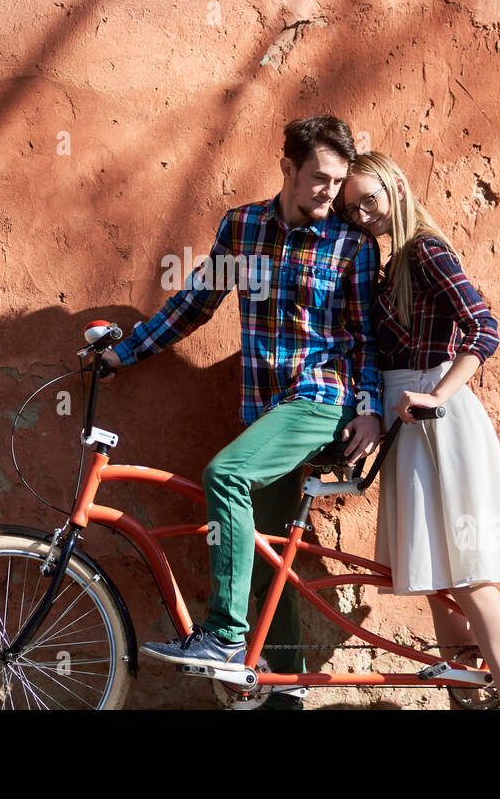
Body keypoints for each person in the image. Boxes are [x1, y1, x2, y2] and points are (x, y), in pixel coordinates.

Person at [103, 116, 384, 709]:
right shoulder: (244, 227)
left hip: (321, 399)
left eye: (338, 182)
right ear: (287, 167)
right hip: (266, 412)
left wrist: (372, 410)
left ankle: (225, 639)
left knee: (225, 475)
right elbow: (196, 303)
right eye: (318, 179)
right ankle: (284, 696)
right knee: (266, 560)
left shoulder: (352, 245)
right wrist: (124, 352)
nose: (331, 194)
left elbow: (367, 340)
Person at [339, 150, 500, 710]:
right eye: (352, 209)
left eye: (369, 200)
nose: (362, 216)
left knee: (472, 576)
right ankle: (467, 702)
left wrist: (437, 394)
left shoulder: (426, 250)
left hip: (442, 423)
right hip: (408, 425)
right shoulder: (390, 266)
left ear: (397, 187)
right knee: (439, 580)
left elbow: (484, 327)